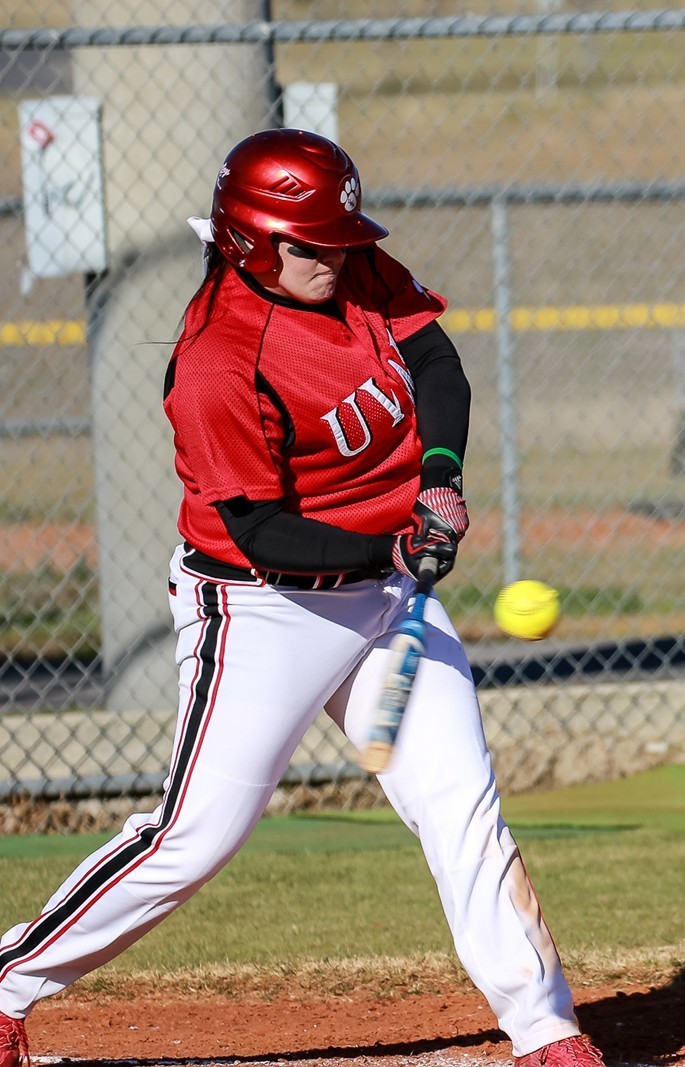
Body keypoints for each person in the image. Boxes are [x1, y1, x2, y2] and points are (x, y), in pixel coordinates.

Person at [0, 129, 605, 1067]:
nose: (337, 253)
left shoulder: (352, 266)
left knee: (459, 801)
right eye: (311, 241)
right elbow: (258, 530)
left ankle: (546, 1028)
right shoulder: (216, 360)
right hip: (262, 612)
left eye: (340, 235)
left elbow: (437, 365)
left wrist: (437, 479)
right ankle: (10, 979)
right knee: (193, 837)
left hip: (387, 604)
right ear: (250, 240)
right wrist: (391, 541)